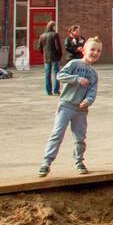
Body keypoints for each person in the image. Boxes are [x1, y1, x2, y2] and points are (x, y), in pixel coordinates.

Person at [38, 37, 101, 178]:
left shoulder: (93, 74)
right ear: (84, 50)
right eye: (92, 49)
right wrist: (77, 79)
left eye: (98, 51)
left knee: (80, 137)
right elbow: (60, 75)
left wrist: (88, 101)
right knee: (57, 134)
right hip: (66, 105)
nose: (95, 53)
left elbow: (92, 91)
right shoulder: (74, 63)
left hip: (81, 110)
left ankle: (79, 161)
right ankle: (46, 163)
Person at [36, 20, 63, 97]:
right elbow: (58, 47)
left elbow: (39, 48)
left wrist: (44, 54)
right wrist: (60, 55)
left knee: (47, 74)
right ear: (53, 27)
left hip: (46, 57)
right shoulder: (55, 35)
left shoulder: (42, 36)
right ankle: (56, 90)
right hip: (55, 57)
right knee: (56, 74)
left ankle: (48, 91)